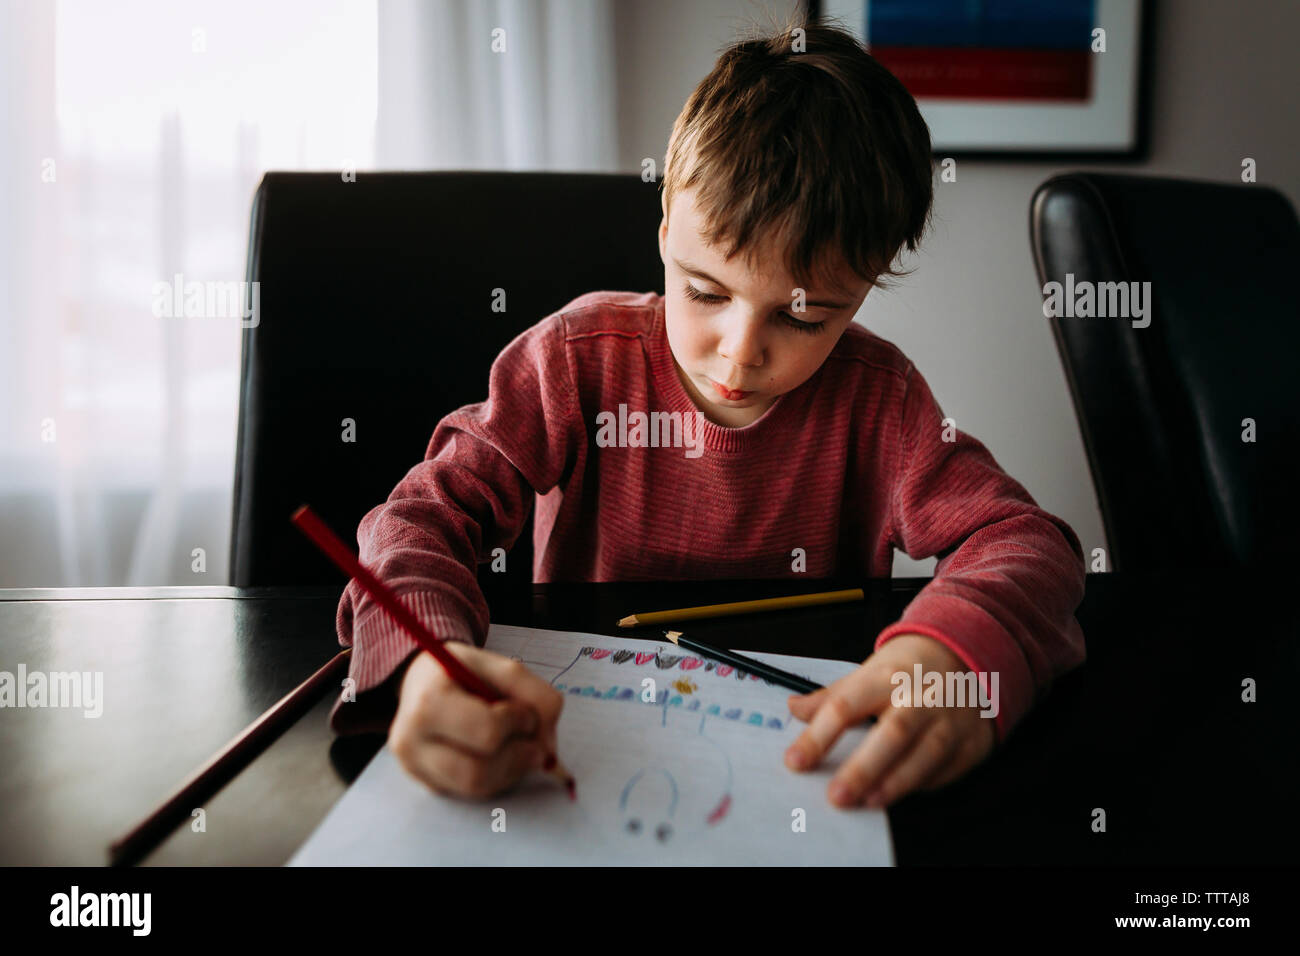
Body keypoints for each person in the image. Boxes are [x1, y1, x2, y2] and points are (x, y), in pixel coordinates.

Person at [330, 17, 1086, 811]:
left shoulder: (881, 401)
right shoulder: (574, 361)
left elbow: (1027, 542)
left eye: (802, 318)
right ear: (664, 231)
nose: (738, 353)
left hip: (793, 764)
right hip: (578, 743)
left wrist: (952, 655)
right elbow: (418, 521)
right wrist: (426, 661)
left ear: (863, 291)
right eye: (705, 292)